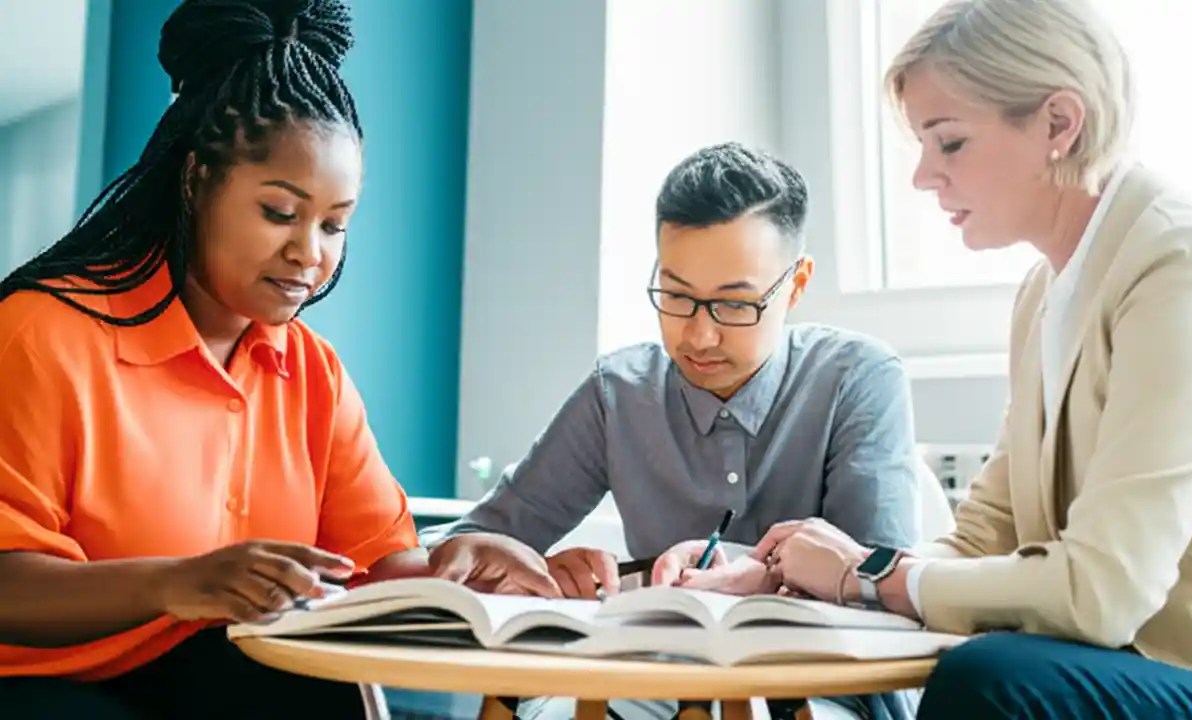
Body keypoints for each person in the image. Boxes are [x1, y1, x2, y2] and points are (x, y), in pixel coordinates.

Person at [0, 1, 557, 718]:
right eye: (280, 213)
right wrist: (177, 582)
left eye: (335, 224)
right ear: (197, 179)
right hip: (41, 688)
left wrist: (472, 577)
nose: (310, 253)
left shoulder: (312, 373)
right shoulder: (43, 335)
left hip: (214, 678)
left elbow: (382, 571)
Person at [740, 0, 1192, 718]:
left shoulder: (1187, 265)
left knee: (989, 676)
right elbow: (981, 533)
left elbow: (1104, 591)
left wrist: (868, 579)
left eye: (950, 143)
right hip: (1137, 659)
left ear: (1060, 123)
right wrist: (804, 584)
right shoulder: (1046, 291)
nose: (922, 177)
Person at [428, 142, 921, 719]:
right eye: (677, 296)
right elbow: (467, 547)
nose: (699, 336)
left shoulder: (858, 378)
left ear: (797, 284)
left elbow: (883, 588)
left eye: (735, 305)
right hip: (655, 686)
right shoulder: (619, 393)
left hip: (821, 689)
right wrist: (531, 568)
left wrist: (762, 576)